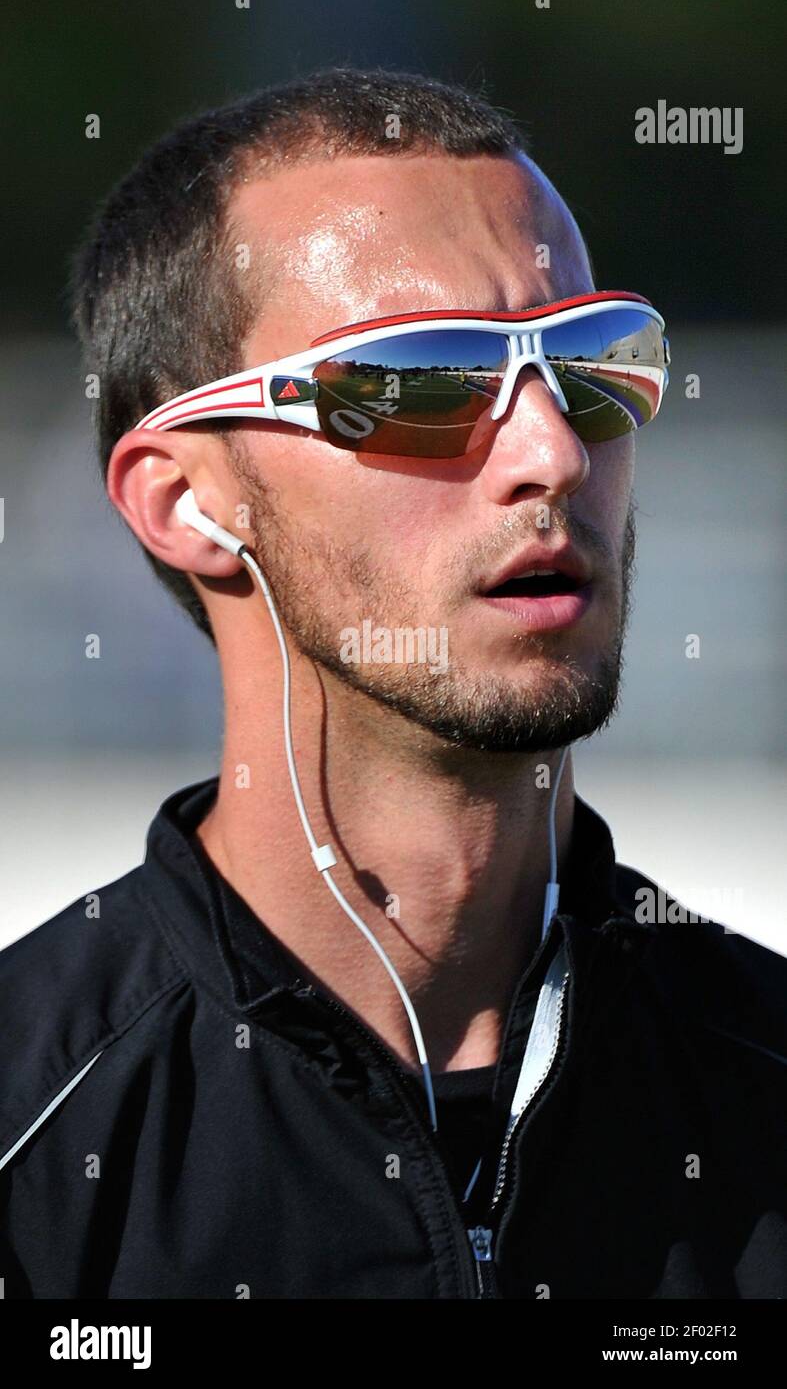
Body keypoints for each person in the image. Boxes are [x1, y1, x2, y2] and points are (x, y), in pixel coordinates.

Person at [1, 68, 784, 1300]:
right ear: (189, 502)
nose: (554, 451)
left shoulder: (758, 1072)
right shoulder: (35, 1129)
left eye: (592, 362)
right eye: (420, 379)